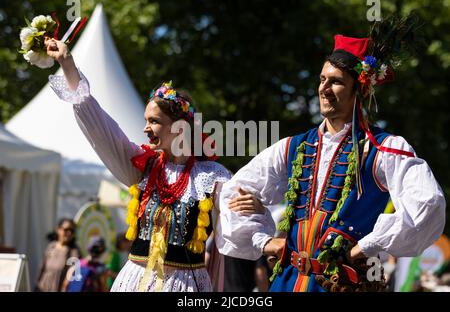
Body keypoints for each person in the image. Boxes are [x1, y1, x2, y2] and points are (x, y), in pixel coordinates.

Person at [219, 16, 446, 292]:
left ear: (360, 89)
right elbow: (233, 192)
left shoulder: (385, 148)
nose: (324, 88)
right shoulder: (293, 147)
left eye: (336, 82)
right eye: (322, 79)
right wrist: (264, 241)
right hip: (287, 282)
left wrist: (365, 247)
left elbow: (428, 204)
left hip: (344, 284)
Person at [43, 37, 265, 292]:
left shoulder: (212, 177)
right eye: (146, 120)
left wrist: (255, 209)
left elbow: (239, 218)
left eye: (154, 121)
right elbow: (101, 129)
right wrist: (66, 62)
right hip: (134, 281)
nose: (145, 128)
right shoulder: (143, 167)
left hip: (184, 286)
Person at [35, 218, 81, 292]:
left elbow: (72, 275)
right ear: (58, 230)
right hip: (42, 287)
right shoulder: (51, 246)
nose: (69, 233)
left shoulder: (74, 251)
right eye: (66, 229)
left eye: (71, 231)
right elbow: (42, 269)